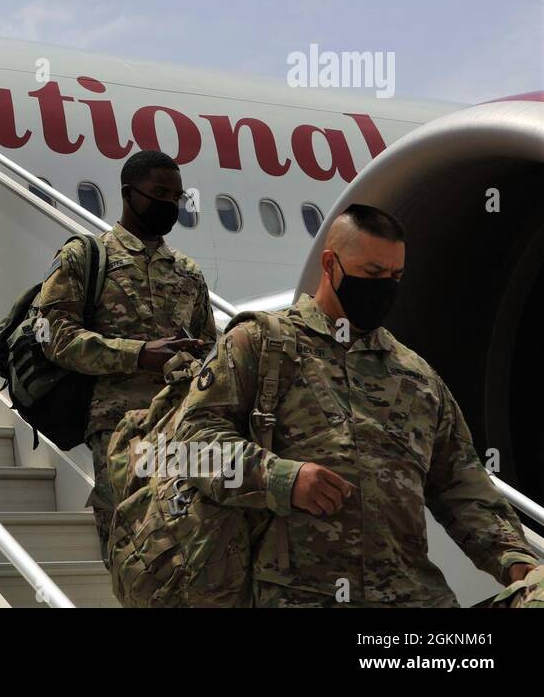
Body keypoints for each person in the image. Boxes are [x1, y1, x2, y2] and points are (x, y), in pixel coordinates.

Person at [172, 204, 538, 607]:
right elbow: (190, 447)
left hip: (411, 596)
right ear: (330, 264)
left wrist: (518, 563)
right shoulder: (260, 344)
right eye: (373, 274)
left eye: (396, 276)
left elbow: (461, 485)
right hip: (298, 595)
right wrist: (281, 478)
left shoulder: (416, 376)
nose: (386, 287)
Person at [32, 149, 215, 567]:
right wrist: (138, 355)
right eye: (159, 193)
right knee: (129, 545)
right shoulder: (86, 257)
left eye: (177, 196)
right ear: (129, 193)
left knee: (184, 544)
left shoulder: (187, 272)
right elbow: (54, 336)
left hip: (179, 424)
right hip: (116, 426)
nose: (169, 203)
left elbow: (210, 349)